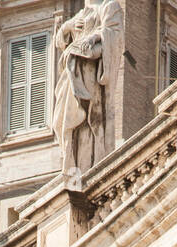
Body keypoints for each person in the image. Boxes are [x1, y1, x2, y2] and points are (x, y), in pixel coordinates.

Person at [52, 2, 124, 180]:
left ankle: (86, 164)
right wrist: (67, 26)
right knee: (60, 121)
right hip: (73, 72)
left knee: (89, 120)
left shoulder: (110, 6)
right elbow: (60, 40)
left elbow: (115, 35)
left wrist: (93, 38)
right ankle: (70, 162)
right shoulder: (83, 11)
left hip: (91, 73)